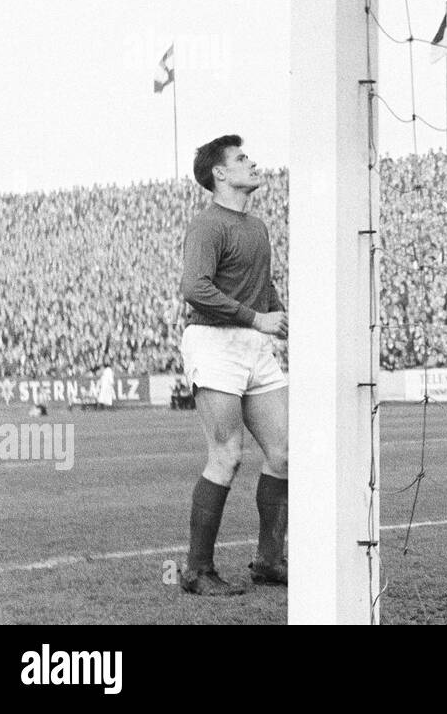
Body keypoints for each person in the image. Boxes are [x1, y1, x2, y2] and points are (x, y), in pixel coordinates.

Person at [178, 135, 289, 596]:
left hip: (254, 344)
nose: (252, 161)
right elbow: (194, 289)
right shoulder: (207, 225)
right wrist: (257, 317)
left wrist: (279, 316)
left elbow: (259, 285)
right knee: (226, 454)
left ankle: (267, 561)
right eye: (242, 158)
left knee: (284, 454)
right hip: (214, 343)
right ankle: (197, 571)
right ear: (220, 174)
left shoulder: (257, 225)